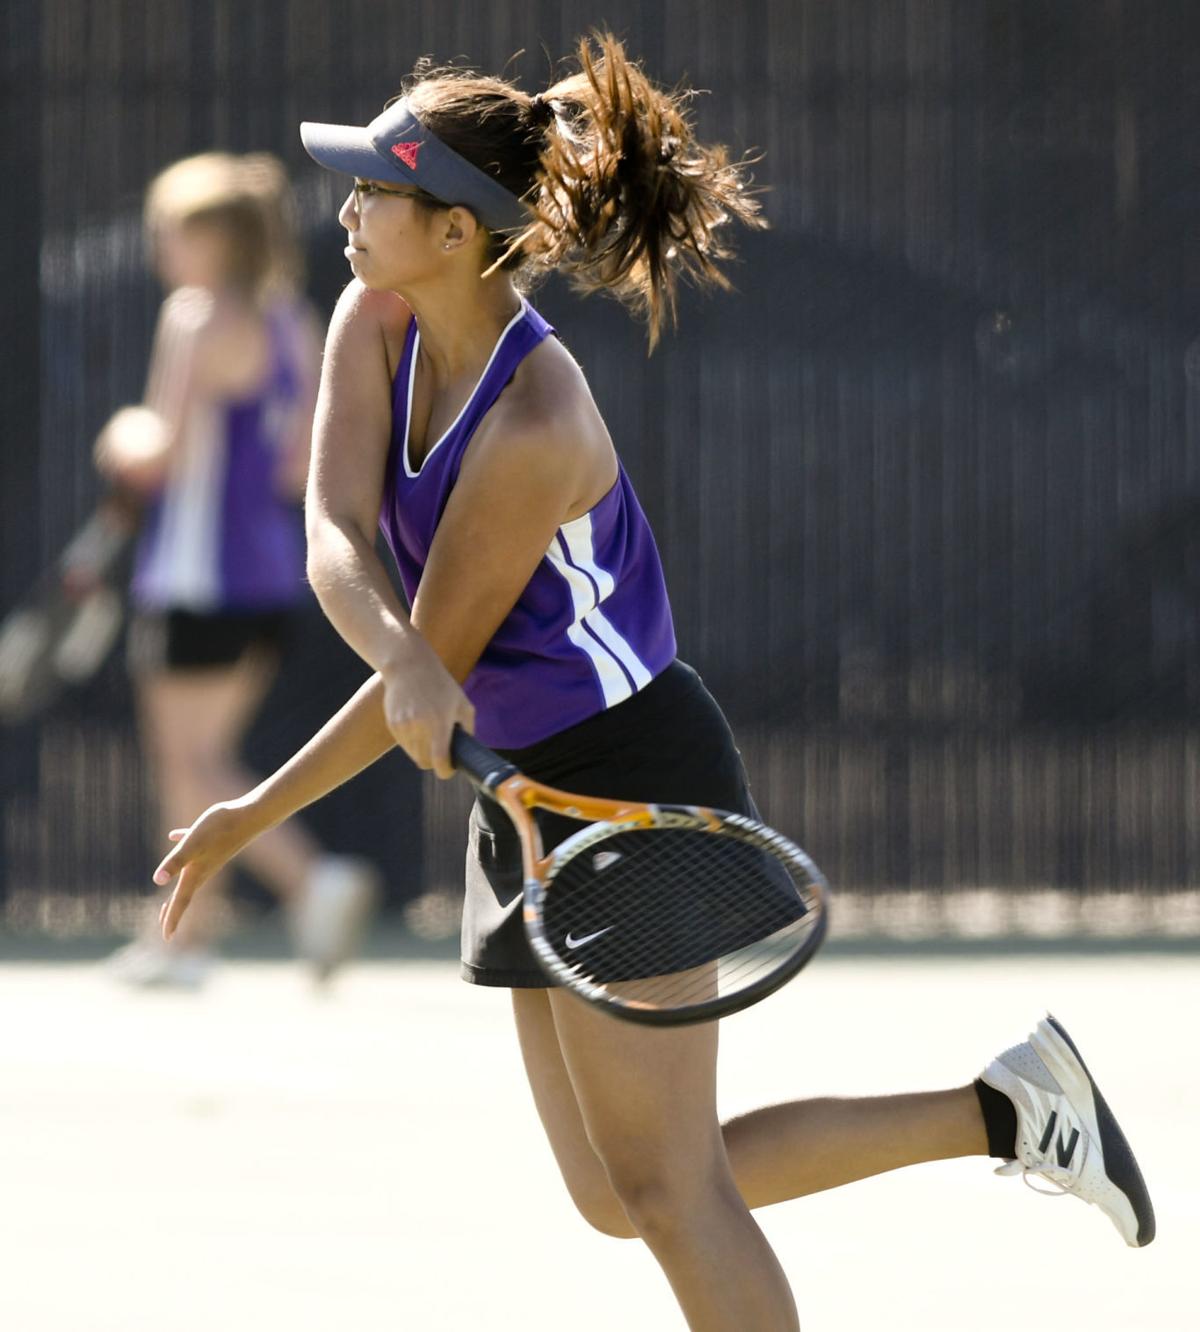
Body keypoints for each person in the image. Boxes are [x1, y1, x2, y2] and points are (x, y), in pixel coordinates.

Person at [151, 37, 1155, 1329]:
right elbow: (334, 532)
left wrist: (255, 811)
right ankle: (1010, 1110)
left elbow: (437, 663)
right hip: (524, 793)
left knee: (674, 1195)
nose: (344, 212)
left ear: (454, 231)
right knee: (619, 1196)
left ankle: (1012, 1111)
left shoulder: (534, 424)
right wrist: (399, 658)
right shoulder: (373, 314)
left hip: (629, 783)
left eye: (373, 192)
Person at [96, 151, 378, 988]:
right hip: (269, 578)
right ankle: (189, 934)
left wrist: (120, 435)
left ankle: (302, 882)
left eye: (171, 233)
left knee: (188, 760)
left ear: (214, 239)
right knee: (203, 755)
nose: (160, 249)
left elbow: (160, 451)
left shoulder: (193, 319)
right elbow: (297, 465)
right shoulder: (291, 319)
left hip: (196, 579)